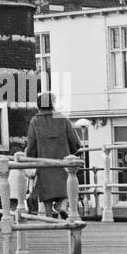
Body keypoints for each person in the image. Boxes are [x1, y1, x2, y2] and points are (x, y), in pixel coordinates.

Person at [24, 90, 81, 218]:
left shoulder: (35, 121)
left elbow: (31, 145)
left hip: (44, 166)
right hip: (63, 164)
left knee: (47, 198)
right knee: (66, 191)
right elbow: (75, 142)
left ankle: (49, 219)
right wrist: (70, 153)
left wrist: (31, 160)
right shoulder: (62, 119)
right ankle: (63, 207)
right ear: (53, 104)